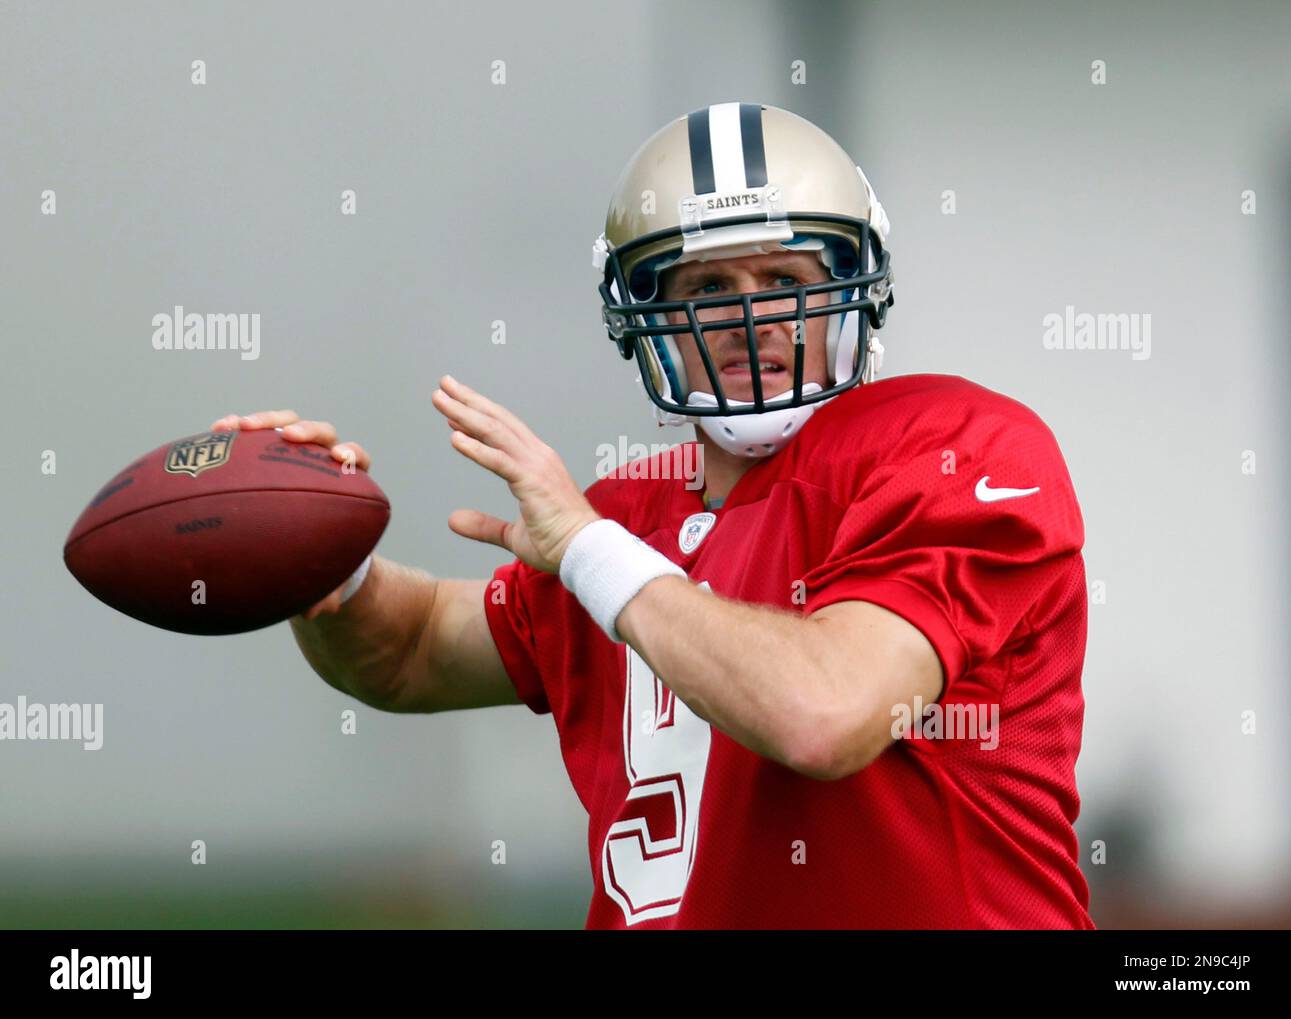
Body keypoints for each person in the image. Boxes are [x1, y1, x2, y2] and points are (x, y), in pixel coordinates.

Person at [214, 103, 1093, 929]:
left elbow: (826, 713)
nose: (752, 318)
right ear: (647, 318)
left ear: (856, 293)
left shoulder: (957, 448)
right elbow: (408, 652)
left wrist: (596, 554)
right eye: (708, 288)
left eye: (785, 278)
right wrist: (325, 556)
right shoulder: (627, 514)